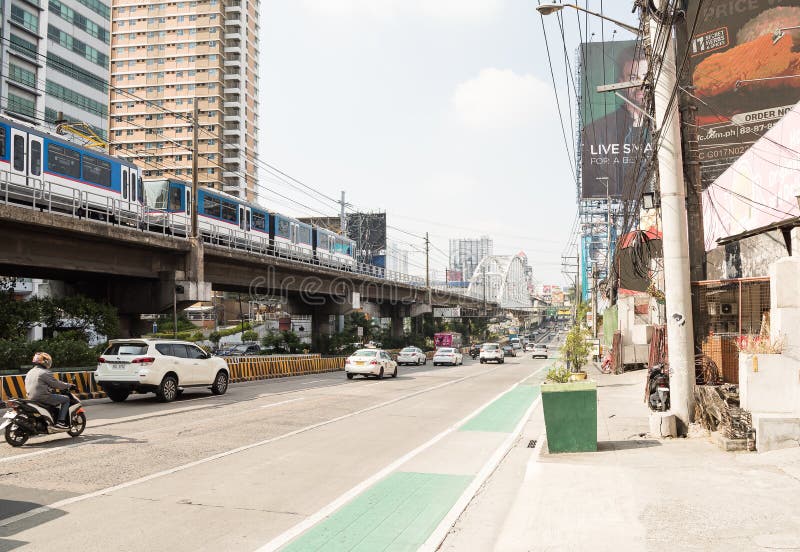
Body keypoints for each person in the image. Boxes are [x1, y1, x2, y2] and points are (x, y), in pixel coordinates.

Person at [25, 352, 74, 429]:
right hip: (43, 397)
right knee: (66, 399)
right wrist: (69, 385)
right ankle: (61, 422)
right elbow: (56, 384)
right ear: (45, 362)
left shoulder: (30, 372)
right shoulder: (44, 372)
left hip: (30, 397)